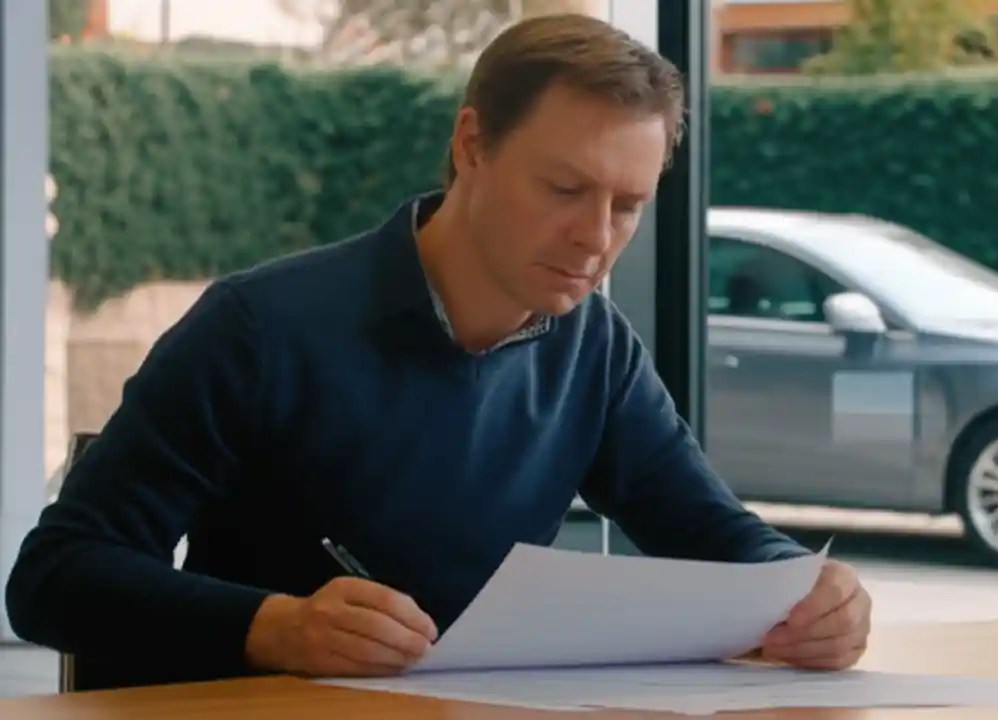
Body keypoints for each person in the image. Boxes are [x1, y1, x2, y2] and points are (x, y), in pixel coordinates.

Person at [5, 13, 872, 689]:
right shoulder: (258, 328)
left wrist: (803, 588)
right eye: (565, 189)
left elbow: (709, 531)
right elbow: (55, 577)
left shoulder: (592, 346)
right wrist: (277, 626)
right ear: (471, 146)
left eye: (628, 204)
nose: (596, 239)